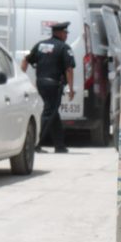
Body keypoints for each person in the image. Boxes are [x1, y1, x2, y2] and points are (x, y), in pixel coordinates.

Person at [22, 21, 75, 153]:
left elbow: (25, 60)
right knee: (49, 113)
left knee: (53, 112)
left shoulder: (40, 45)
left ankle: (59, 145)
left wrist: (21, 79)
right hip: (54, 85)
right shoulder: (64, 47)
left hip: (41, 83)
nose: (66, 35)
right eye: (65, 33)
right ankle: (35, 143)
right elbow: (69, 69)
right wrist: (71, 88)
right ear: (59, 33)